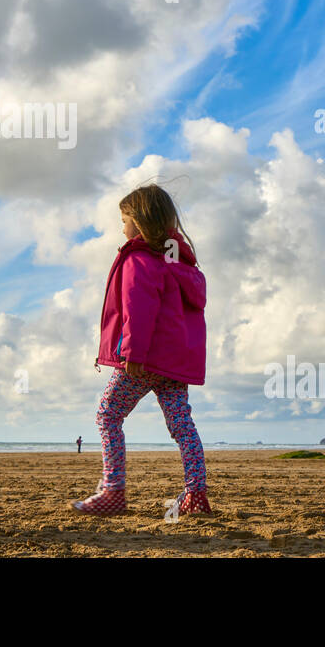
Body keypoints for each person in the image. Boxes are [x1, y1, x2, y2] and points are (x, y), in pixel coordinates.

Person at [72, 184, 211, 516]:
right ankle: (196, 495)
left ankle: (113, 491)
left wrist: (133, 353)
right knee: (181, 424)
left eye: (124, 219)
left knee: (108, 415)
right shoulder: (183, 264)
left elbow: (139, 307)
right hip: (173, 363)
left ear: (140, 219)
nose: (122, 228)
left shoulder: (139, 259)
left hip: (143, 359)